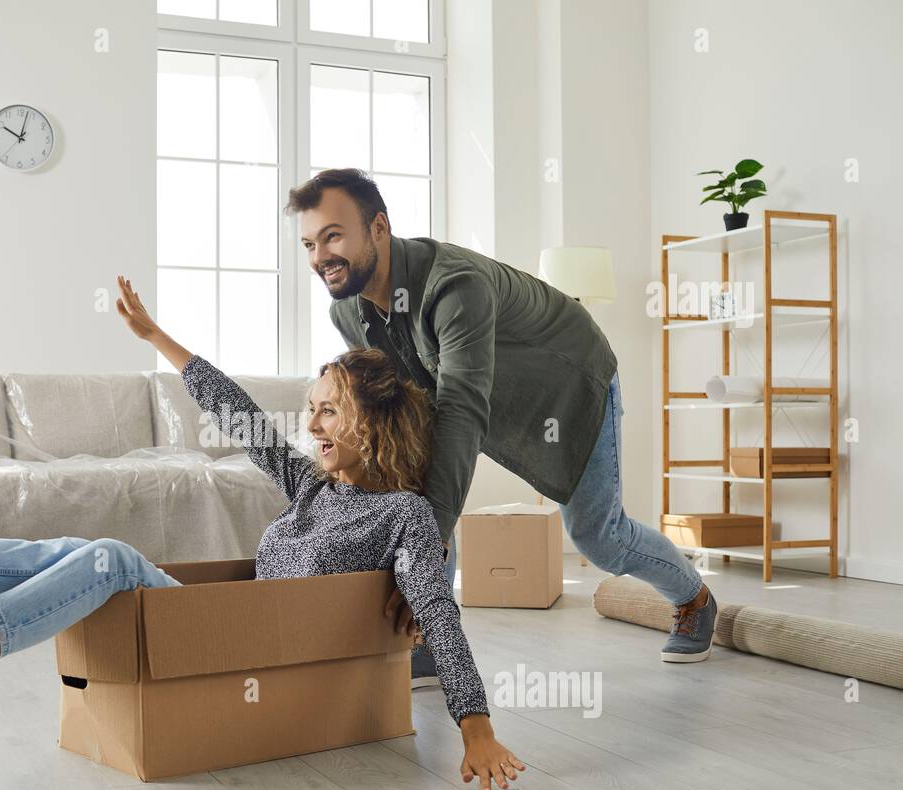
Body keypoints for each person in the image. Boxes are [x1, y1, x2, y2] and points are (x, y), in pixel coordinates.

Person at [0, 275, 527, 790]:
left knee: (109, 556)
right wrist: (157, 336)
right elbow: (239, 415)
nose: (314, 422)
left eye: (330, 409)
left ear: (376, 425)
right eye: (315, 407)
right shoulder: (311, 487)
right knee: (78, 555)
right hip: (224, 637)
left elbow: (442, 614)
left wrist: (477, 729)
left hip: (246, 654)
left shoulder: (404, 516)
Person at [287, 168, 718, 691]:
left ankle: (694, 598)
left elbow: (462, 411)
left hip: (570, 386)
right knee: (419, 504)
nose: (319, 257)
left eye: (333, 236)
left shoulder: (453, 287)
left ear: (378, 228)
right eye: (310, 243)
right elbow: (401, 409)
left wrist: (431, 532)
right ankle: (427, 640)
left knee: (598, 538)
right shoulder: (348, 311)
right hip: (485, 397)